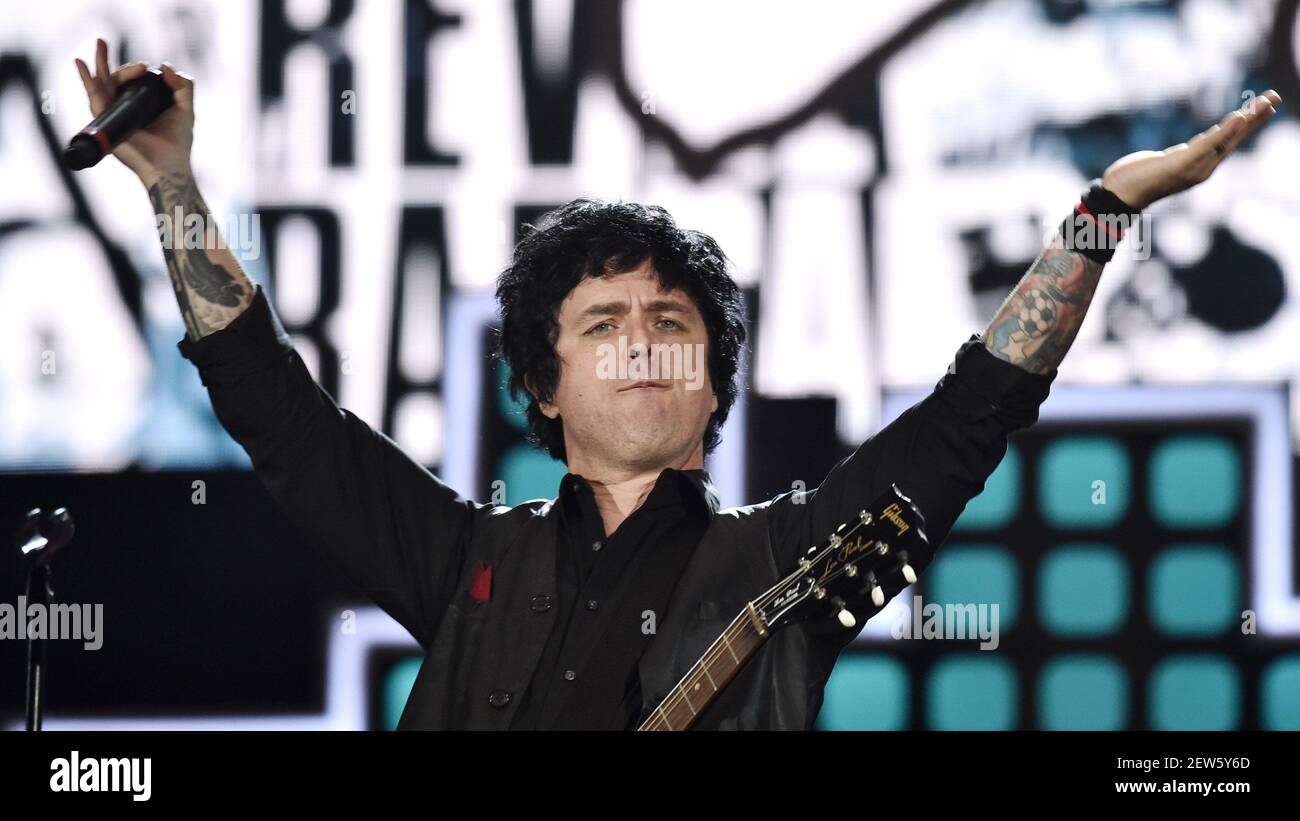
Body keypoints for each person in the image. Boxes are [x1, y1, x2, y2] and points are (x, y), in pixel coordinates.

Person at [76, 38, 1280, 729]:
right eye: (602, 324)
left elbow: (976, 408)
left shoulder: (790, 558)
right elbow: (267, 403)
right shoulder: (458, 559)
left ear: (715, 386)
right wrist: (173, 186)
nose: (644, 341)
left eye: (670, 321)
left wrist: (1102, 214)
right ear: (542, 384)